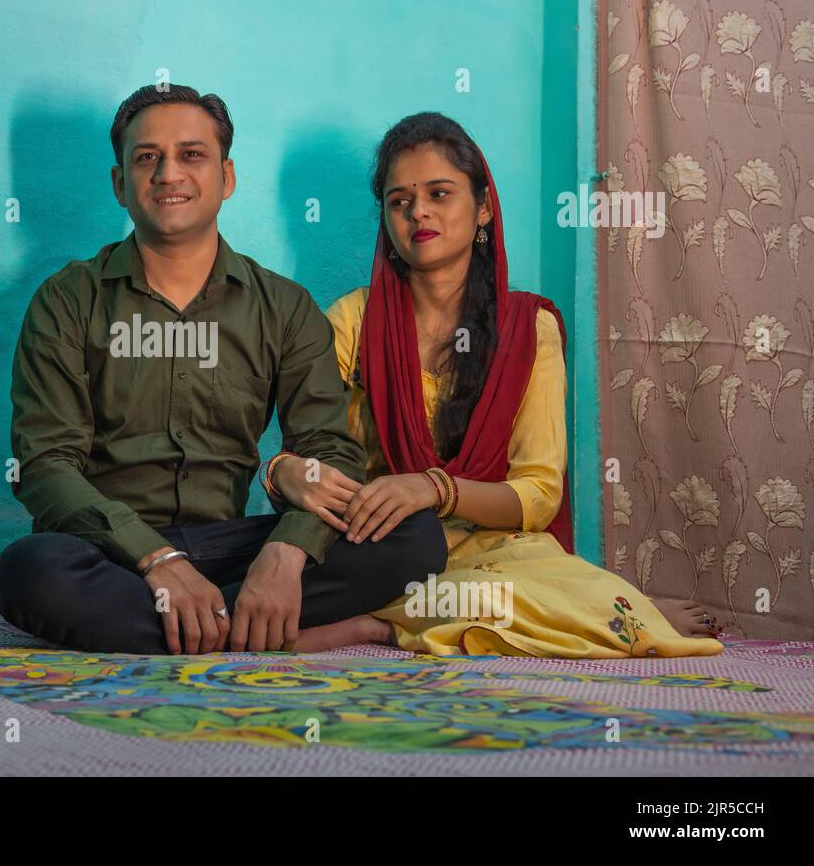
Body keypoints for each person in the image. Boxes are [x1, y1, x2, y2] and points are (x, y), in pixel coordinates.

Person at [0, 85, 447, 655]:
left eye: (191, 154)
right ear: (119, 185)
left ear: (226, 178)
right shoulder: (67, 301)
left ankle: (212, 621)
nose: (168, 173)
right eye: (146, 157)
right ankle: (264, 632)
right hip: (112, 553)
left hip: (231, 548)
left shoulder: (284, 307)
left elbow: (327, 451)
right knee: (28, 571)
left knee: (415, 538)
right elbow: (44, 465)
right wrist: (155, 558)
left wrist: (285, 557)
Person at [270, 111, 724, 657]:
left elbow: (537, 493)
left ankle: (378, 626)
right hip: (385, 544)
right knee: (551, 600)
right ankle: (606, 608)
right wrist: (284, 471)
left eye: (440, 193)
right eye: (400, 201)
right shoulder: (349, 321)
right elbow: (308, 451)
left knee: (531, 589)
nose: (419, 212)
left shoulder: (529, 328)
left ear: (483, 206)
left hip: (500, 548)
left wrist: (435, 488)